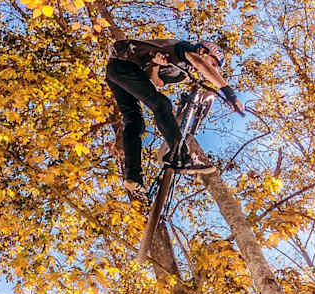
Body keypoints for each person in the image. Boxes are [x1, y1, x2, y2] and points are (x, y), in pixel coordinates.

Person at [105, 37, 247, 201]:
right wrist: (229, 93)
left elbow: (155, 81)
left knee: (135, 122)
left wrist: (156, 64)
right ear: (202, 51)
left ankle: (132, 177)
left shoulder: (181, 75)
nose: (211, 69)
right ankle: (181, 154)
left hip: (119, 74)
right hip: (123, 63)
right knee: (162, 104)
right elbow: (200, 63)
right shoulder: (185, 49)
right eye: (213, 64)